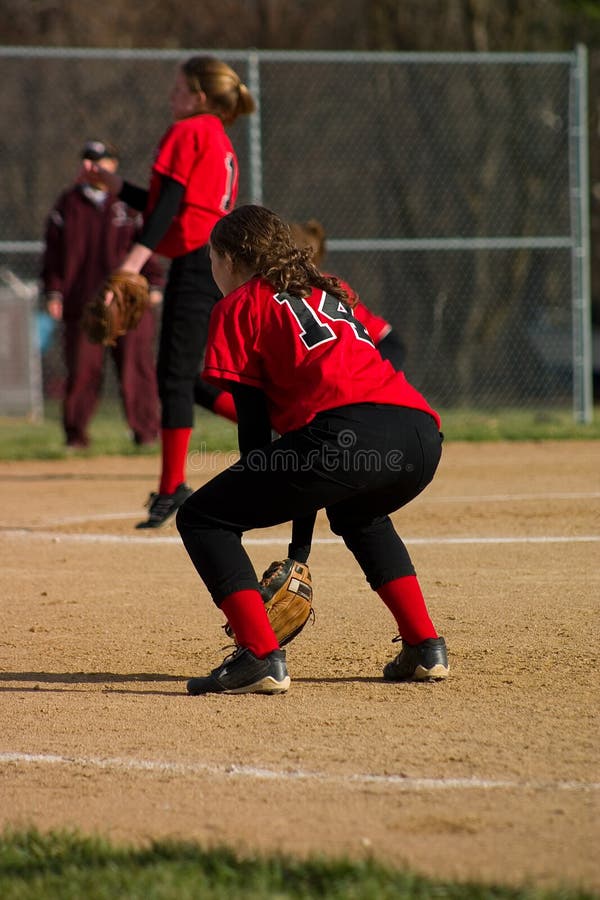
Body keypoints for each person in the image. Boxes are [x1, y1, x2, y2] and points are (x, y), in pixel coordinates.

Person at [176, 204, 449, 696]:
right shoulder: (326, 286)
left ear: (233, 259)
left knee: (203, 518)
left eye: (212, 259)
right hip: (419, 434)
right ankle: (424, 646)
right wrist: (297, 551)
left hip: (347, 433)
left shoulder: (239, 304)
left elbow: (259, 434)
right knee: (359, 515)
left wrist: (269, 516)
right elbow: (305, 446)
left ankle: (259, 655)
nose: (211, 270)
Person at [81, 56, 256, 527]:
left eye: (178, 89)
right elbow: (172, 204)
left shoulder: (188, 130)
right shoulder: (218, 138)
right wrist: (117, 186)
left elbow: (168, 211)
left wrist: (131, 265)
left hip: (198, 260)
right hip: (214, 258)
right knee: (191, 378)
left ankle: (171, 487)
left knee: (177, 380)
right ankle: (271, 433)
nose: (171, 97)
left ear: (199, 96)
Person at [41, 140, 164, 449]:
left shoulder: (128, 203)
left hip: (128, 303)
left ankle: (146, 432)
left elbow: (147, 245)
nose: (91, 166)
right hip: (85, 304)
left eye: (100, 161)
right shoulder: (67, 205)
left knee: (137, 368)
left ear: (113, 166)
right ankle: (76, 436)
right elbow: (53, 256)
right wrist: (54, 292)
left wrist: (153, 284)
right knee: (82, 370)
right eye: (87, 160)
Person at [289, 218, 406, 371]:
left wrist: (365, 379)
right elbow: (391, 342)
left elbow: (389, 342)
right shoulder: (331, 285)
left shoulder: (331, 287)